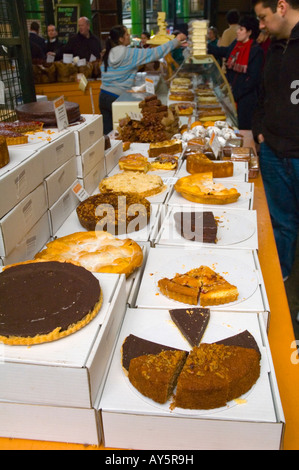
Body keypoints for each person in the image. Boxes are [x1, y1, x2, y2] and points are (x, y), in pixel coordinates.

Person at [252, 0, 299, 280]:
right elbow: (263, 95)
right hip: (272, 150)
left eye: (263, 17)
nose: (260, 25)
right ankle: (280, 279)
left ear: (281, 7)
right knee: (281, 223)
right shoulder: (275, 47)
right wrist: (259, 129)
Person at [99, 25, 186, 134]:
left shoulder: (108, 53)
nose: (129, 36)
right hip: (117, 98)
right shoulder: (129, 53)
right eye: (126, 34)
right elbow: (155, 53)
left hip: (103, 97)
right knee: (123, 134)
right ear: (121, 39)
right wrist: (176, 41)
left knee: (108, 136)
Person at [208, 16, 264, 130]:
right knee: (231, 126)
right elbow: (223, 51)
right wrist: (204, 46)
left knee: (243, 128)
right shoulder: (236, 44)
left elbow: (253, 79)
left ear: (249, 32)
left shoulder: (256, 51)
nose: (237, 31)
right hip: (231, 93)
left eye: (241, 29)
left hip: (246, 99)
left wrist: (236, 94)